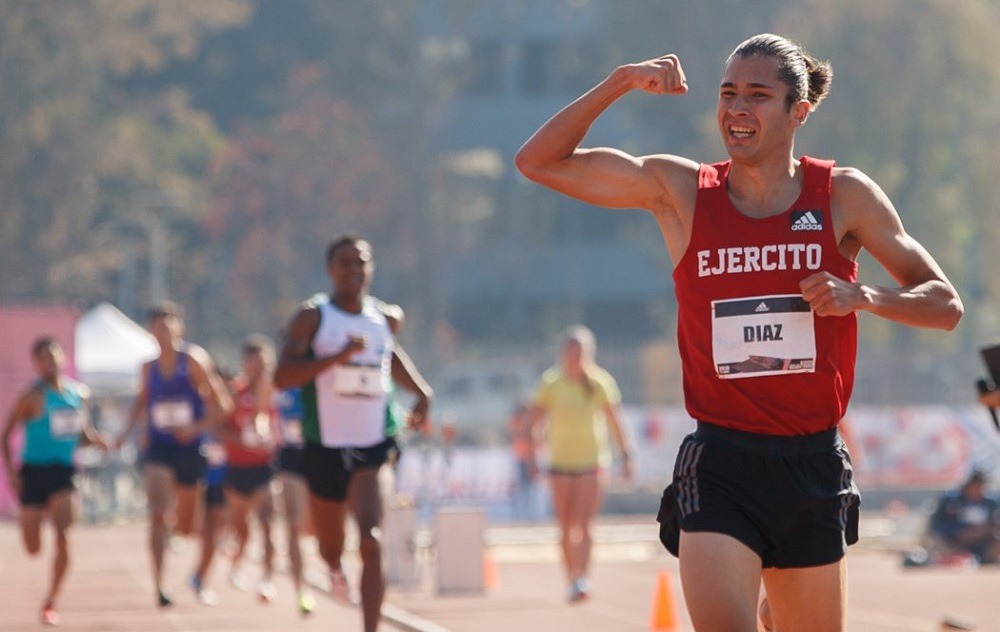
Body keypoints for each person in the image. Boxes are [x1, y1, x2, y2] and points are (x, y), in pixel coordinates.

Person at [515, 33, 963, 631]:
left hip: (811, 464)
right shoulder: (681, 192)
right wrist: (622, 81)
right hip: (721, 460)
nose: (737, 109)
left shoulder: (842, 196)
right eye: (728, 94)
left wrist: (863, 296)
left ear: (797, 111)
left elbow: (945, 303)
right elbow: (537, 162)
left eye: (758, 95)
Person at [273, 234, 434, 632]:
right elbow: (282, 376)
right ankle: (333, 567)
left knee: (371, 539)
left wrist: (421, 392)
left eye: (361, 262)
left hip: (374, 445)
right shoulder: (312, 317)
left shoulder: (385, 318)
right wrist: (336, 358)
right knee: (330, 548)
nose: (353, 270)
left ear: (371, 268)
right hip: (325, 446)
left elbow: (387, 355)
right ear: (330, 271)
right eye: (345, 263)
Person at [115, 300, 234, 608]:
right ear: (150, 333)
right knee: (156, 511)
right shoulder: (147, 367)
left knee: (186, 525)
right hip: (159, 447)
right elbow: (142, 402)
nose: (163, 334)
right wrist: (125, 434)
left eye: (168, 327)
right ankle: (159, 585)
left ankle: (177, 535)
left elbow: (222, 404)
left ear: (179, 328)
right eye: (157, 329)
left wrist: (196, 427)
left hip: (190, 448)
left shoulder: (193, 360)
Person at [1, 337, 110, 626]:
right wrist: (12, 474)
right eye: (43, 358)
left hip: (63, 473)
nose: (50, 362)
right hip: (33, 473)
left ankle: (51, 600)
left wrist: (98, 441)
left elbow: (82, 433)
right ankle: (36, 530)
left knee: (63, 535)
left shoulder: (79, 394)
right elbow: (5, 434)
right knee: (33, 547)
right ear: (35, 364)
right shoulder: (32, 397)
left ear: (63, 357)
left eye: (54, 356)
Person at [524, 325, 634, 603]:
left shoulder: (600, 382)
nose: (575, 357)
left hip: (593, 461)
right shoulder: (551, 383)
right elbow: (532, 424)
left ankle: (582, 578)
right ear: (563, 353)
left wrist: (626, 455)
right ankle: (570, 577)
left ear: (589, 354)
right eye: (571, 351)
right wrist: (532, 458)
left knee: (585, 524)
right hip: (560, 463)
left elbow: (615, 422)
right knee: (565, 525)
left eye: (581, 352)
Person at [218, 334, 280, 603]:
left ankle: (267, 580)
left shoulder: (277, 393)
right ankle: (236, 565)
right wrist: (241, 439)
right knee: (241, 529)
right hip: (238, 467)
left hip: (265, 466)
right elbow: (219, 427)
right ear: (245, 365)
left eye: (263, 364)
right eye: (253, 364)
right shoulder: (235, 394)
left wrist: (270, 437)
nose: (259, 370)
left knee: (267, 522)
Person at [909, 470, 1000, 566]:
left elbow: (995, 523)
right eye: (975, 486)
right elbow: (937, 524)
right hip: (953, 542)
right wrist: (960, 531)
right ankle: (950, 559)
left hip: (982, 543)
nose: (977, 490)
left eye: (980, 487)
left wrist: (983, 530)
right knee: (935, 540)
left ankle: (987, 559)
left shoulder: (990, 503)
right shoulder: (951, 500)